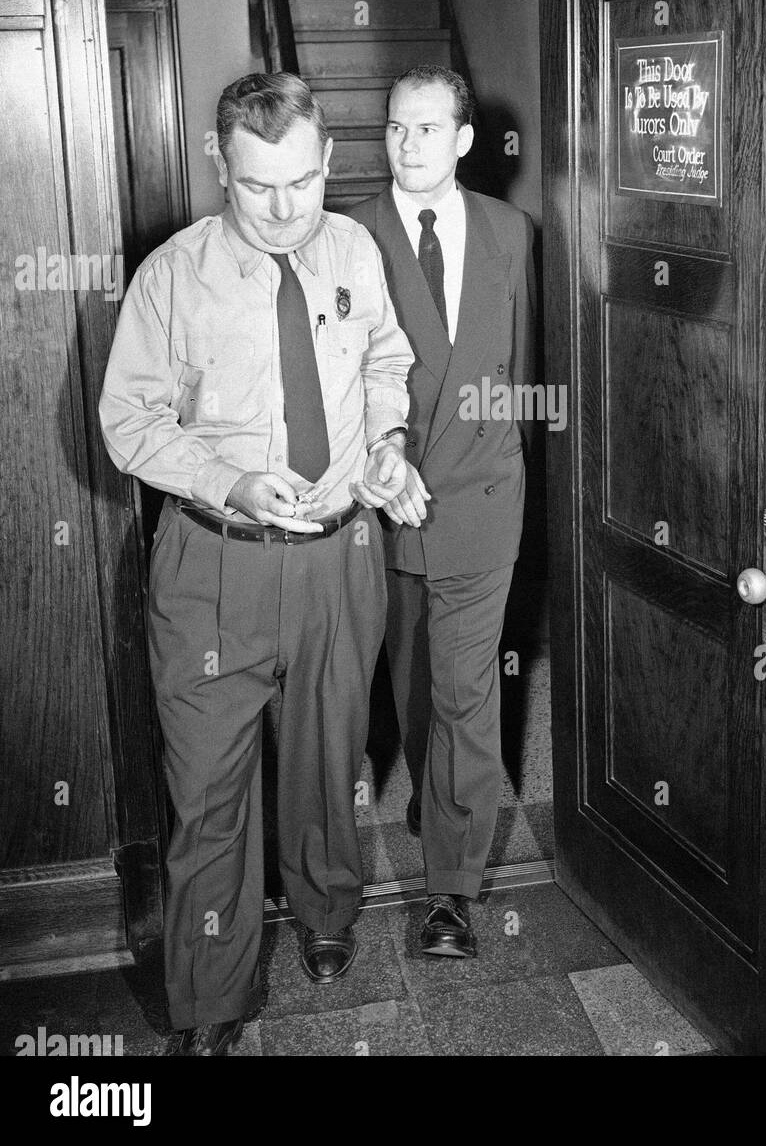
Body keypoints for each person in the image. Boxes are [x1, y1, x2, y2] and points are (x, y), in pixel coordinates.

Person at [99, 72, 426, 1055]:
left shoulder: (354, 250)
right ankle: (209, 998)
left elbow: (384, 361)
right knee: (208, 791)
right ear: (218, 165)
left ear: (327, 161)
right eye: (255, 187)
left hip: (338, 561)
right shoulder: (171, 276)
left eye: (302, 183)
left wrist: (388, 441)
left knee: (330, 754)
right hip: (214, 567)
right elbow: (128, 419)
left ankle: (327, 910)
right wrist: (224, 477)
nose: (284, 211)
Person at [349, 66, 535, 958]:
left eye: (428, 129)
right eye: (395, 127)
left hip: (480, 504)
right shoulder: (345, 234)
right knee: (409, 686)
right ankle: (430, 790)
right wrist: (374, 464)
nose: (408, 143)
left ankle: (450, 892)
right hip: (381, 507)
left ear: (465, 140)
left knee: (464, 695)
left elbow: (525, 374)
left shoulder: (511, 233)